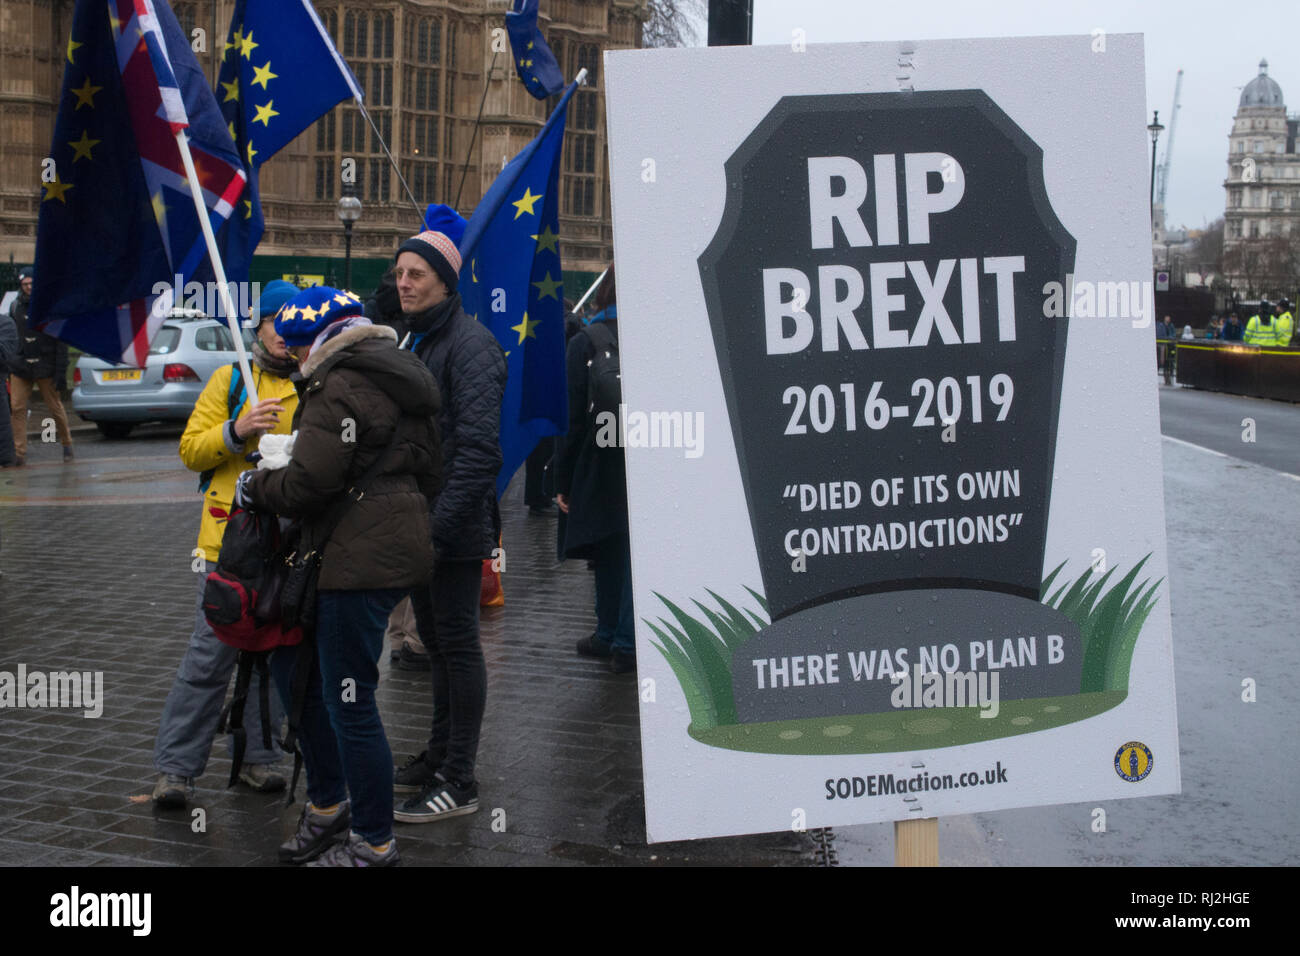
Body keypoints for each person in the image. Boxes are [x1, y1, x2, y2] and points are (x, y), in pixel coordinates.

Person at [239, 286, 442, 866]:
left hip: (354, 562)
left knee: (349, 701)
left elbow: (309, 486)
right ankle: (330, 805)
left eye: (300, 349)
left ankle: (373, 841)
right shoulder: (399, 372)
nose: (298, 359)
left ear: (321, 342)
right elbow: (430, 470)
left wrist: (258, 484)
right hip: (386, 551)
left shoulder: (337, 385)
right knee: (307, 678)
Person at [150, 280, 300, 807]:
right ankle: (175, 770)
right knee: (209, 658)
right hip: (227, 546)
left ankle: (260, 760)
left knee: (274, 655)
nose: (285, 334)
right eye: (276, 322)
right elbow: (191, 450)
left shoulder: (316, 384)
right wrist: (236, 431)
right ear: (258, 326)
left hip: (289, 547)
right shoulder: (231, 378)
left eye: (295, 323)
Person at [389, 221, 507, 826]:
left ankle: (460, 779)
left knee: (458, 647)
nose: (403, 283)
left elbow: (480, 452)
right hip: (418, 523)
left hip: (449, 530)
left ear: (444, 282)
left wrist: (434, 531)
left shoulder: (471, 345)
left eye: (416, 274)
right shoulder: (417, 339)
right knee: (436, 646)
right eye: (400, 273)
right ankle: (437, 757)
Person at [557, 266, 635, 675]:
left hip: (600, 457)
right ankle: (620, 638)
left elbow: (570, 419)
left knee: (609, 547)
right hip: (649, 451)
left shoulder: (587, 340)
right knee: (629, 549)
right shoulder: (658, 331)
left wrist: (563, 480)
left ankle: (613, 636)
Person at [8, 268, 73, 465]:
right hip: (21, 366)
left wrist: (60, 371)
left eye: (31, 283)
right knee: (17, 407)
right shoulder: (15, 306)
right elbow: (13, 334)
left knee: (55, 407)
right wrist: (13, 358)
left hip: (46, 366)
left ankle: (67, 444)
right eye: (25, 284)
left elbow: (60, 340)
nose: (28, 287)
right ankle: (19, 452)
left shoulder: (50, 306)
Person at [0, 296, 17, 468]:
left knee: (53, 411)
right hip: (23, 371)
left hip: (42, 371)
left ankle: (52, 439)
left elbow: (5, 354)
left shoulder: (6, 324)